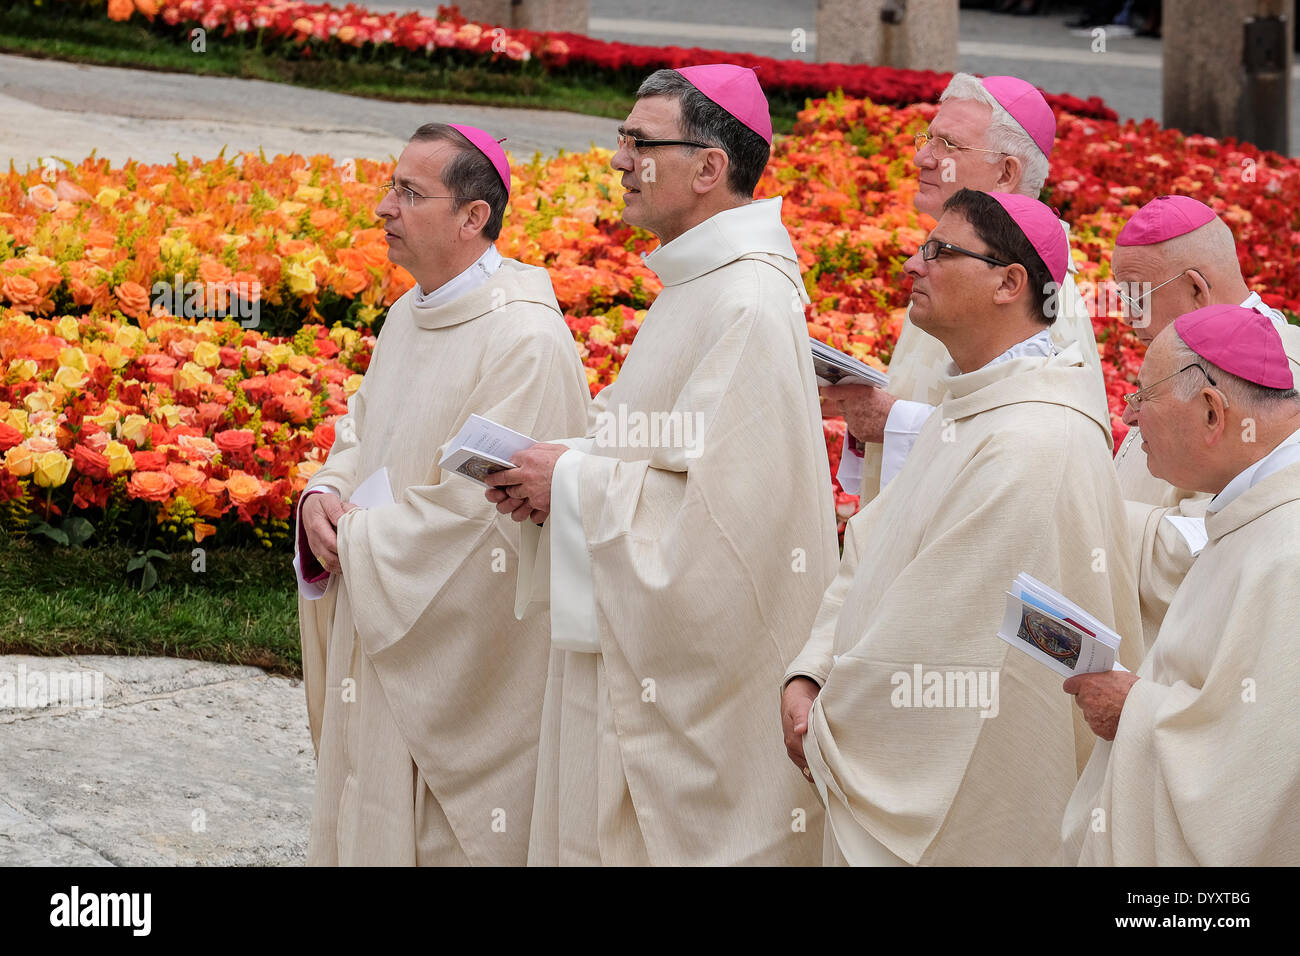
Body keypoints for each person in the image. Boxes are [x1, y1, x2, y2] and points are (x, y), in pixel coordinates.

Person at [484, 65, 838, 865]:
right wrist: (560, 463)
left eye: (640, 143)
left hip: (688, 689)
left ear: (710, 168)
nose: (619, 161)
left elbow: (723, 521)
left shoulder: (744, 299)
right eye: (622, 139)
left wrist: (568, 484)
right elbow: (651, 447)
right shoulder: (701, 278)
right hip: (626, 647)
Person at [781, 188, 1142, 866]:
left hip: (967, 785)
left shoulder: (1034, 439)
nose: (914, 265)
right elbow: (871, 549)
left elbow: (943, 632)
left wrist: (834, 718)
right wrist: (811, 670)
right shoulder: (972, 406)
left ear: (1010, 283)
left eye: (940, 251)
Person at [295, 123, 590, 865]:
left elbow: (484, 522)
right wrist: (323, 497)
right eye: (392, 186)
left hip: (450, 653)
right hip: (385, 604)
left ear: (472, 218)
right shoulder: (411, 311)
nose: (382, 208)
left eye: (409, 192)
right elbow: (364, 434)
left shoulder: (525, 340)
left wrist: (357, 541)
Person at [1062, 304, 1300, 866]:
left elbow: (1261, 771)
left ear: (1213, 414)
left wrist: (1133, 707)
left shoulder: (1287, 548)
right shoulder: (1255, 508)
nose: (1130, 415)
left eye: (1144, 396)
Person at [825, 74, 1104, 506]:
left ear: (1007, 172)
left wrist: (893, 420)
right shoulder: (957, 260)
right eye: (928, 139)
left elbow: (1039, 450)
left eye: (948, 145)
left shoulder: (1043, 296)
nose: (922, 158)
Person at [1109, 195, 1300, 651]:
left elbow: (1218, 545)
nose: (1127, 316)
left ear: (1196, 288)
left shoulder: (1281, 370)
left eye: (1137, 296)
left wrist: (1085, 512)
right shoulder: (1186, 358)